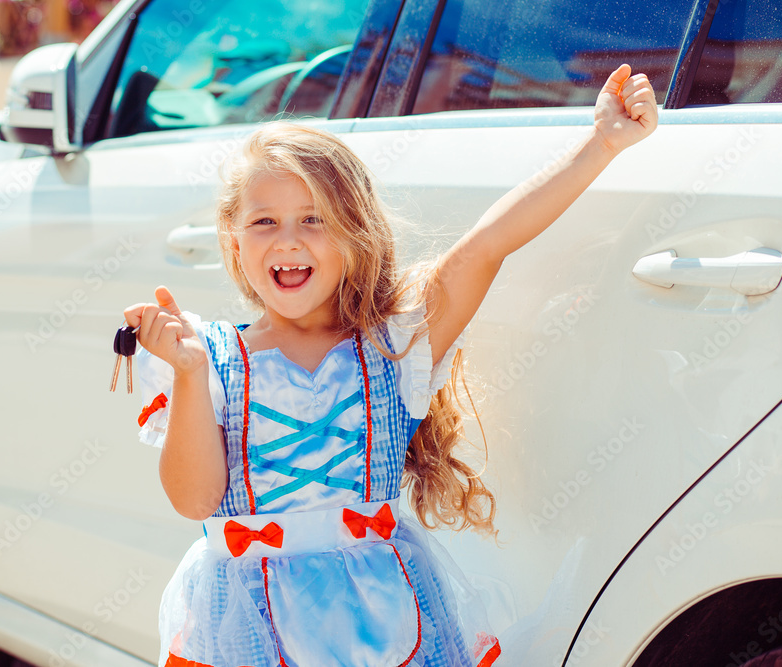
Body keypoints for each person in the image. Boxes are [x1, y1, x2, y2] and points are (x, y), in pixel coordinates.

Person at [123, 63, 658, 667]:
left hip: (393, 618)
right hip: (249, 632)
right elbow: (195, 501)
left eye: (314, 219)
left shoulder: (395, 344)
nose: (288, 239)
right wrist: (189, 374)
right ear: (233, 238)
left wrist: (602, 142)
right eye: (264, 221)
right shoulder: (208, 358)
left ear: (355, 233)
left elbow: (488, 245)